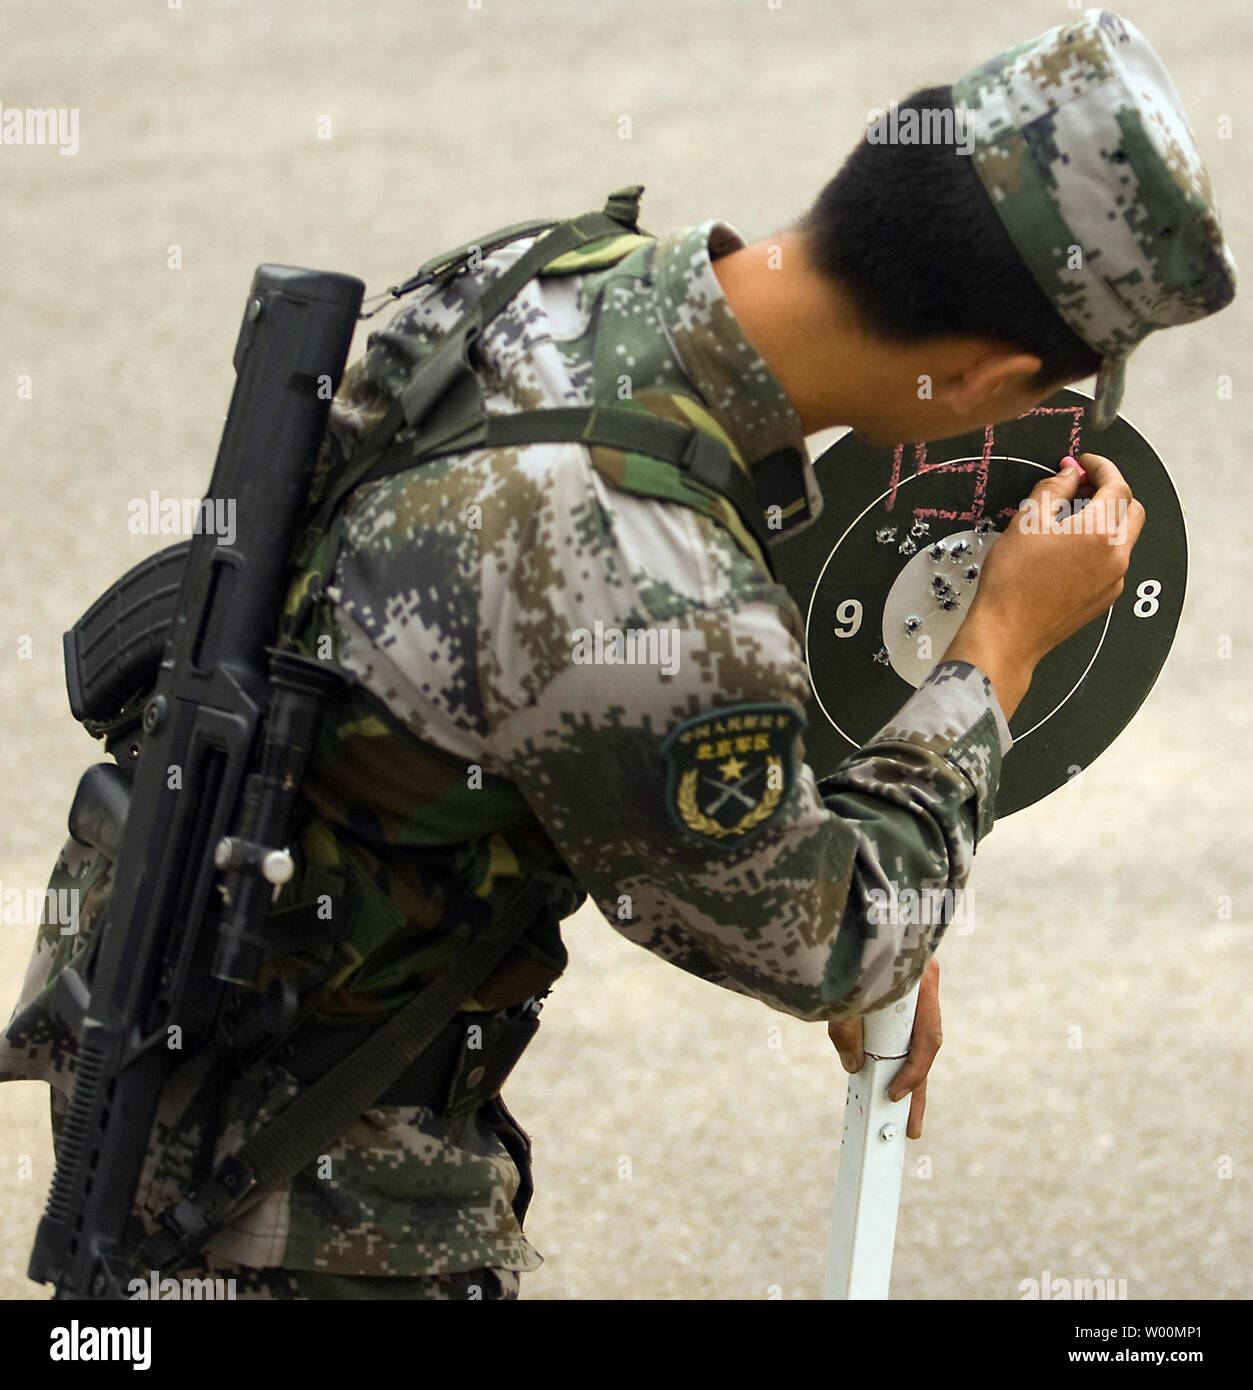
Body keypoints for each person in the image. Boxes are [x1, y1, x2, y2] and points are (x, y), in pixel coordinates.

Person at [2, 9, 1235, 1300]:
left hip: (185, 946)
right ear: (981, 376)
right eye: (1047, 393)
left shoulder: (552, 271)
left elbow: (557, 672)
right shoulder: (652, 582)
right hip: (293, 1179)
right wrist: (993, 649)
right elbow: (832, 939)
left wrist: (794, 842)